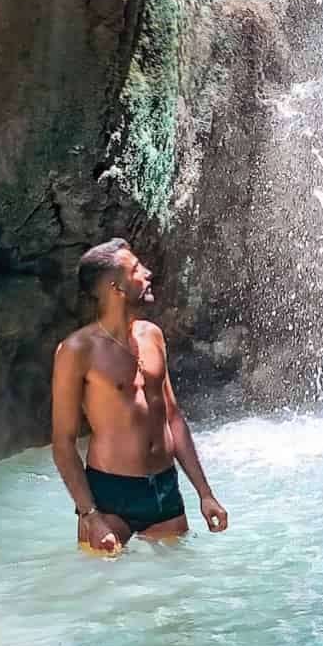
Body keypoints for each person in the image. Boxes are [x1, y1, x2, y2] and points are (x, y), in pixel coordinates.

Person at [51, 238, 229, 556]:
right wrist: (90, 515)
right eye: (135, 269)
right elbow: (63, 442)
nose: (147, 272)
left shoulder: (152, 335)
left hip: (164, 491)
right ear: (116, 287)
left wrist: (205, 493)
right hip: (110, 497)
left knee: (177, 583)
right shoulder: (77, 350)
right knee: (104, 584)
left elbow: (172, 417)